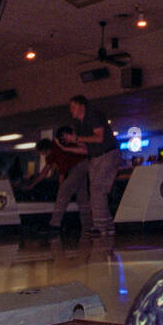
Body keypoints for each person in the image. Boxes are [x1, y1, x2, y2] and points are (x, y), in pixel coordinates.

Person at [65, 95, 121, 236]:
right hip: (94, 157)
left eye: (73, 106)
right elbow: (85, 147)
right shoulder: (77, 124)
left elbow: (99, 137)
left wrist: (76, 139)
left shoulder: (94, 115)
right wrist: (67, 147)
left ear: (82, 106)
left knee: (97, 190)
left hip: (108, 154)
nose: (71, 110)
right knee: (96, 191)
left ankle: (100, 227)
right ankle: (107, 226)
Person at [26, 128, 90, 230]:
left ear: (46, 150)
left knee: (62, 195)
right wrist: (32, 185)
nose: (42, 155)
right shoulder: (51, 154)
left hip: (79, 165)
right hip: (82, 165)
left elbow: (62, 170)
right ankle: (87, 225)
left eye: (42, 153)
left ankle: (55, 224)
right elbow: (45, 172)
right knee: (82, 197)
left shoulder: (56, 150)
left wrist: (61, 187)